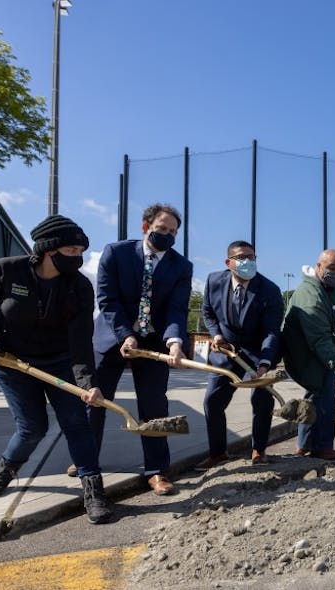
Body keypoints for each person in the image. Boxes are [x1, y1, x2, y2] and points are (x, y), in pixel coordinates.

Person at [0, 215, 114, 524]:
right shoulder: (7, 270)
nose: (78, 257)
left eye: (81, 251)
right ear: (49, 250)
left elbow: (81, 340)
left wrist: (88, 383)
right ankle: (6, 469)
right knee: (33, 427)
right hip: (12, 362)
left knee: (77, 422)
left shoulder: (79, 287)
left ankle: (94, 490)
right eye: (71, 250)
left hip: (60, 362)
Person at [84, 203, 193, 496]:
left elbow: (177, 309)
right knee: (96, 400)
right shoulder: (116, 253)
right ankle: (85, 460)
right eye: (162, 229)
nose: (168, 235)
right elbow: (107, 300)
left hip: (154, 341)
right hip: (113, 336)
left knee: (155, 405)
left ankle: (157, 471)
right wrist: (126, 335)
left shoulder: (181, 266)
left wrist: (175, 341)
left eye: (173, 232)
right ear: (146, 227)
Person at [196, 240, 283, 469]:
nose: (247, 262)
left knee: (262, 399)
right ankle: (218, 453)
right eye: (241, 258)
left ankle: (258, 450)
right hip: (226, 350)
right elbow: (208, 312)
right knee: (212, 401)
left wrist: (264, 363)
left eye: (251, 257)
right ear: (228, 262)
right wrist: (216, 335)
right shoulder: (214, 281)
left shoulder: (270, 290)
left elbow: (271, 331)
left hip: (258, 350)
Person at [281, 249, 335, 460]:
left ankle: (304, 444)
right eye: (332, 268)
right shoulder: (310, 296)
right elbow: (319, 340)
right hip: (305, 354)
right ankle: (323, 448)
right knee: (325, 393)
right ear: (318, 267)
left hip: (324, 351)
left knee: (316, 396)